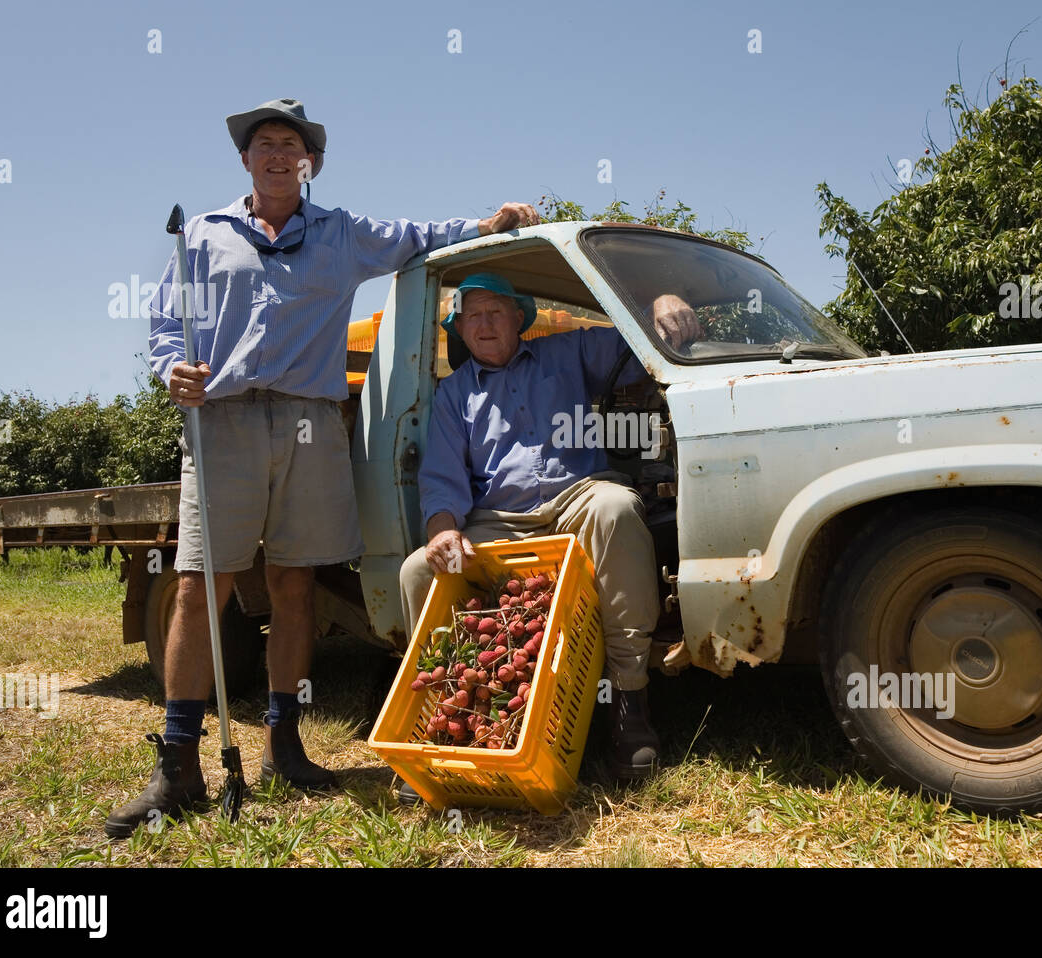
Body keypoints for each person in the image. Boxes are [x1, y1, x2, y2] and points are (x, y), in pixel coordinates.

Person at [104, 99, 539, 840]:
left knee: (297, 582)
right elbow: (166, 322)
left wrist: (490, 222)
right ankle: (177, 764)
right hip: (223, 421)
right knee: (198, 582)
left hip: (312, 421)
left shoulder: (342, 234)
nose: (278, 155)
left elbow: (421, 238)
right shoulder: (203, 236)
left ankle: (285, 745)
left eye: (292, 146)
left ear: (312, 164)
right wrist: (170, 366)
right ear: (246, 159)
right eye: (265, 144)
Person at [398, 272, 699, 791]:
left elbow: (639, 337)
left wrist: (661, 303)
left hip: (575, 497)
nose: (484, 324)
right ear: (460, 328)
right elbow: (442, 482)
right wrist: (444, 531)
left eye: (496, 311)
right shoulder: (452, 397)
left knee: (616, 509)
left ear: (519, 318)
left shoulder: (566, 354)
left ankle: (629, 703)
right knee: (417, 570)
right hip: (499, 520)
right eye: (472, 315)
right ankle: (450, 719)